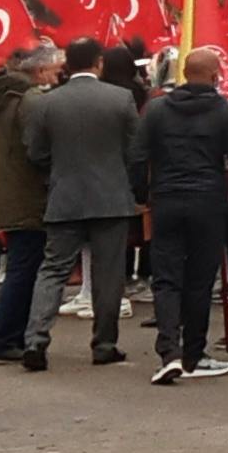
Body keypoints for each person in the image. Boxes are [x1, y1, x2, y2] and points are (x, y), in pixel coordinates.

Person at [129, 48, 228, 385]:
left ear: (183, 72)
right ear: (215, 76)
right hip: (208, 201)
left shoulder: (156, 109)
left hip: (167, 199)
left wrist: (140, 195)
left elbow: (138, 155)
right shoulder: (226, 112)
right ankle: (194, 354)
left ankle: (169, 351)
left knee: (166, 277)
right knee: (200, 281)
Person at [20, 38, 141, 370]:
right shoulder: (121, 99)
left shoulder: (47, 103)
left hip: (64, 196)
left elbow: (35, 152)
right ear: (99, 62)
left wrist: (58, 171)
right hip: (111, 197)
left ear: (67, 64)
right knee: (108, 273)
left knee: (53, 270)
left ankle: (35, 340)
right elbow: (135, 150)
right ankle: (104, 343)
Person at [0, 43, 57, 360]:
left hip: (2, 189)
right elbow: (38, 151)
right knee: (25, 269)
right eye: (54, 69)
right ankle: (2, 339)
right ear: (40, 71)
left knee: (21, 265)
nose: (58, 75)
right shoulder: (31, 101)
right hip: (28, 193)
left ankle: (9, 336)